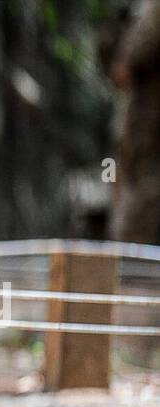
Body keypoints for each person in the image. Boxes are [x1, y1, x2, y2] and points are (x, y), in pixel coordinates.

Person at [108, 0, 160, 244]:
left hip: (149, 113)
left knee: (143, 182)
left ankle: (134, 255)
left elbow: (146, 38)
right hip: (141, 111)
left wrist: (127, 62)